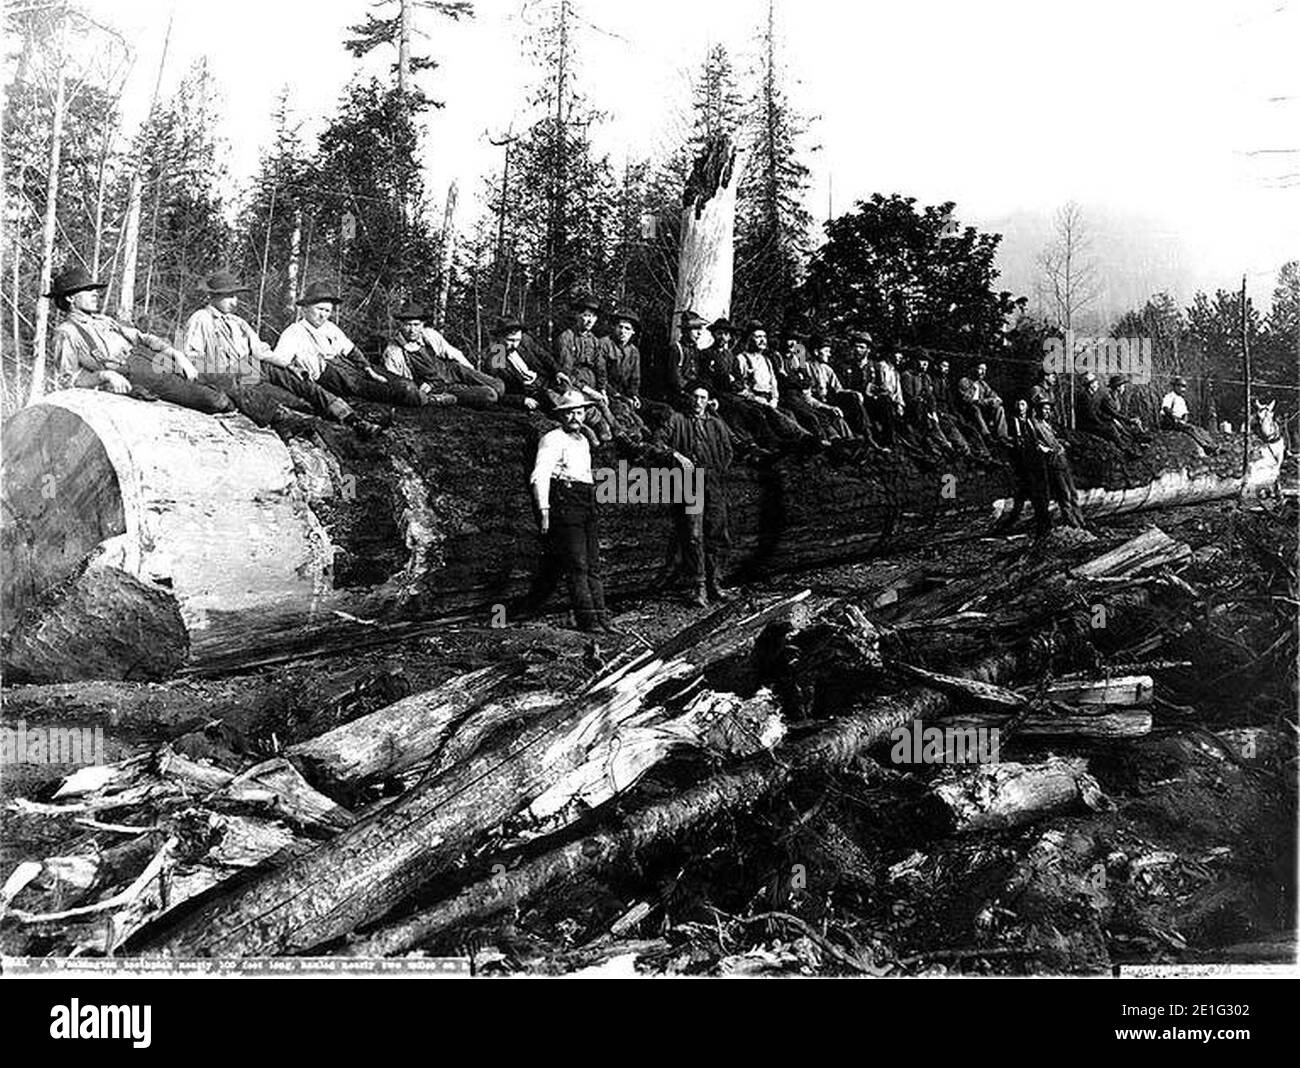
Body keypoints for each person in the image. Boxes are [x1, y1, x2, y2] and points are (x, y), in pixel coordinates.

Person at [184, 270, 382, 438]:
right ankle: (321, 427)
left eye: (236, 296)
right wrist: (223, 376)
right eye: (230, 296)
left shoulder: (238, 323)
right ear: (213, 296)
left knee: (301, 382)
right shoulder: (200, 319)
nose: (235, 302)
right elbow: (192, 358)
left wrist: (288, 365)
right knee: (294, 404)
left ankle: (353, 419)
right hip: (230, 376)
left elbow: (261, 350)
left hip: (253, 368)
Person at [49, 265, 233, 414]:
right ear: (70, 297)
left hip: (154, 358)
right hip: (138, 375)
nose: (95, 294)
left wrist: (176, 354)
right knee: (216, 400)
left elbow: (142, 337)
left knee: (227, 380)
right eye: (88, 290)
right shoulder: (66, 333)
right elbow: (68, 379)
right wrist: (104, 375)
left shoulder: (105, 320)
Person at [523, 389, 616, 634]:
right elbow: (540, 474)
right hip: (565, 502)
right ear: (561, 416)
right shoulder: (552, 438)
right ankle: (588, 621)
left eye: (579, 411)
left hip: (586, 500)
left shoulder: (583, 440)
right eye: (569, 413)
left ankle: (603, 618)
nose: (575, 417)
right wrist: (544, 510)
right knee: (578, 565)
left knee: (593, 565)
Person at [275, 282, 427, 408]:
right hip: (334, 379)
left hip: (351, 368)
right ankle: (432, 400)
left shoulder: (329, 327)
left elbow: (351, 350)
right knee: (403, 390)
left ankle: (429, 396)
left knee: (404, 382)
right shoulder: (293, 332)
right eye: (319, 309)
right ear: (306, 308)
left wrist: (369, 369)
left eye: (327, 311)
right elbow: (279, 362)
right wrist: (297, 370)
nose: (323, 315)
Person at [656, 380, 735, 607]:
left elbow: (728, 450)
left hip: (713, 482)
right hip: (689, 483)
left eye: (703, 398)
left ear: (708, 400)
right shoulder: (677, 420)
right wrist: (676, 456)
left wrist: (719, 470)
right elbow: (657, 442)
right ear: (688, 398)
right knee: (693, 535)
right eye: (695, 397)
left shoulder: (716, 423)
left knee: (718, 532)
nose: (699, 402)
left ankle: (715, 583)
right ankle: (698, 586)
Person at [383, 303, 505, 408]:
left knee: (499, 386)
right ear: (401, 325)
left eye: (416, 325)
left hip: (453, 371)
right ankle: (441, 398)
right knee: (489, 395)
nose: (412, 330)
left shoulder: (430, 335)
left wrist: (471, 373)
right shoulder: (393, 351)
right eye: (408, 325)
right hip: (437, 387)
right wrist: (420, 387)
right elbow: (399, 383)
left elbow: (454, 353)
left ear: (423, 324)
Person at [554, 293, 617, 441]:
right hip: (572, 383)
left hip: (591, 382)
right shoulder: (566, 337)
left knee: (605, 401)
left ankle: (616, 429)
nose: (590, 320)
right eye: (586, 315)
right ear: (577, 315)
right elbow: (566, 372)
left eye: (593, 317)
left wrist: (601, 389)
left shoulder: (595, 341)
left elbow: (600, 368)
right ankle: (594, 427)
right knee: (575, 401)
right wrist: (587, 390)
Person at [1030, 394, 1088, 531]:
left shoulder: (1047, 424)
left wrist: (1062, 443)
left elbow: (1053, 439)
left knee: (1073, 494)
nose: (1047, 412)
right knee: (1064, 495)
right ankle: (1072, 523)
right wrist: (1048, 450)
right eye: (1044, 409)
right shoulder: (1035, 425)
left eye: (1048, 409)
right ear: (1038, 410)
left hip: (1063, 460)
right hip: (1054, 463)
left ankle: (1081, 521)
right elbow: (1036, 443)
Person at [994, 397, 1051, 535]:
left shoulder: (1031, 421)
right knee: (1031, 491)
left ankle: (1045, 522)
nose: (1021, 407)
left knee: (1042, 490)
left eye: (1023, 404)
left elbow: (1037, 437)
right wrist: (1015, 443)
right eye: (1019, 404)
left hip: (1036, 458)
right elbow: (1004, 437)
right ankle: (1039, 524)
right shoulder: (1012, 421)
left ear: (1027, 407)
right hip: (1022, 459)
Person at [603, 308, 654, 441]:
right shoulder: (604, 344)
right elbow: (600, 376)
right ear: (614, 327)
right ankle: (623, 461)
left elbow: (635, 378)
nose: (623, 331)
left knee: (659, 413)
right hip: (608, 394)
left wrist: (634, 395)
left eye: (627, 328)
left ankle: (649, 447)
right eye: (620, 327)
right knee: (628, 429)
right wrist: (617, 395)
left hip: (626, 396)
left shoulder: (634, 351)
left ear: (633, 332)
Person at [484, 317, 556, 412]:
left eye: (517, 340)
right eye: (510, 340)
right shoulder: (497, 357)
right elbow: (498, 390)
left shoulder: (525, 341)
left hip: (544, 382)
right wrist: (521, 400)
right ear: (500, 337)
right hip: (527, 393)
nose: (515, 345)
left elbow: (544, 356)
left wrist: (558, 371)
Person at [1159, 376, 1219, 454]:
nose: (1183, 389)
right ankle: (1204, 446)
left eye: (1184, 387)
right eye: (1181, 386)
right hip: (1169, 421)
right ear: (1175, 386)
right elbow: (1166, 409)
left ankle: (1212, 445)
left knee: (1200, 429)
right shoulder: (1170, 396)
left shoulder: (1181, 400)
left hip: (1179, 421)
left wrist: (1184, 420)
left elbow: (1185, 413)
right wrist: (1174, 418)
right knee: (1191, 429)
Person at [957, 360, 1010, 445]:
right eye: (981, 369)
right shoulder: (964, 381)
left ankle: (1002, 437)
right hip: (966, 411)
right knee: (975, 408)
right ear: (973, 369)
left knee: (999, 408)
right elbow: (967, 400)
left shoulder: (982, 384)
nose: (983, 372)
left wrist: (996, 399)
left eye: (985, 370)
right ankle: (987, 436)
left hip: (982, 410)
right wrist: (988, 401)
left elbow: (992, 394)